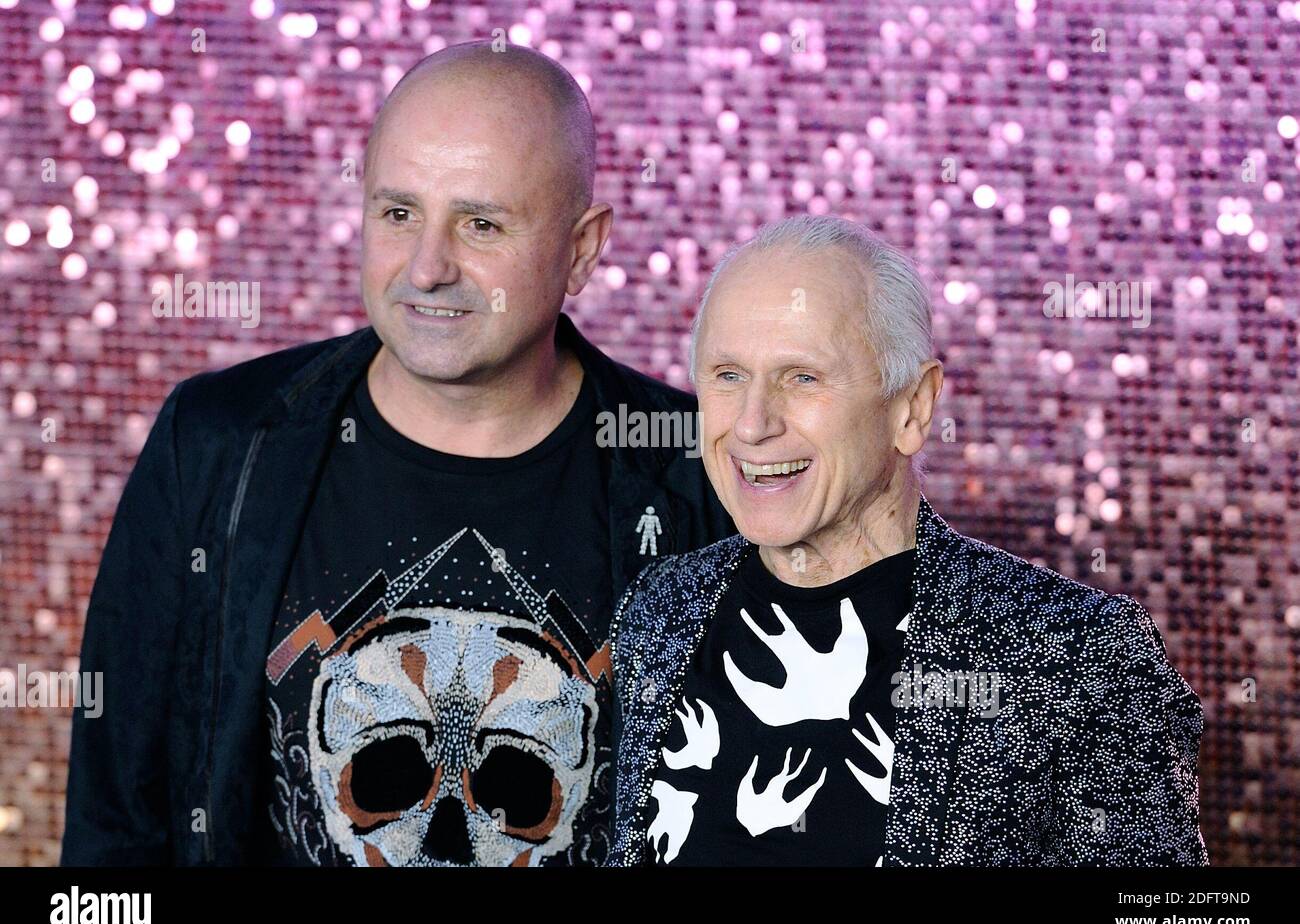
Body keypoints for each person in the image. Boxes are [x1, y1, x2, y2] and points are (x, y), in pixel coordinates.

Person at [61, 41, 731, 867]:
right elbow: (116, 821)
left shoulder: (705, 476)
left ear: (583, 249)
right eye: (398, 212)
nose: (427, 267)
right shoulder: (216, 446)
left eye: (481, 223)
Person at [607, 215, 1208, 866]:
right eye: (727, 376)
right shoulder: (659, 608)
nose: (752, 425)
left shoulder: (1076, 655)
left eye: (801, 377)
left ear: (912, 408)